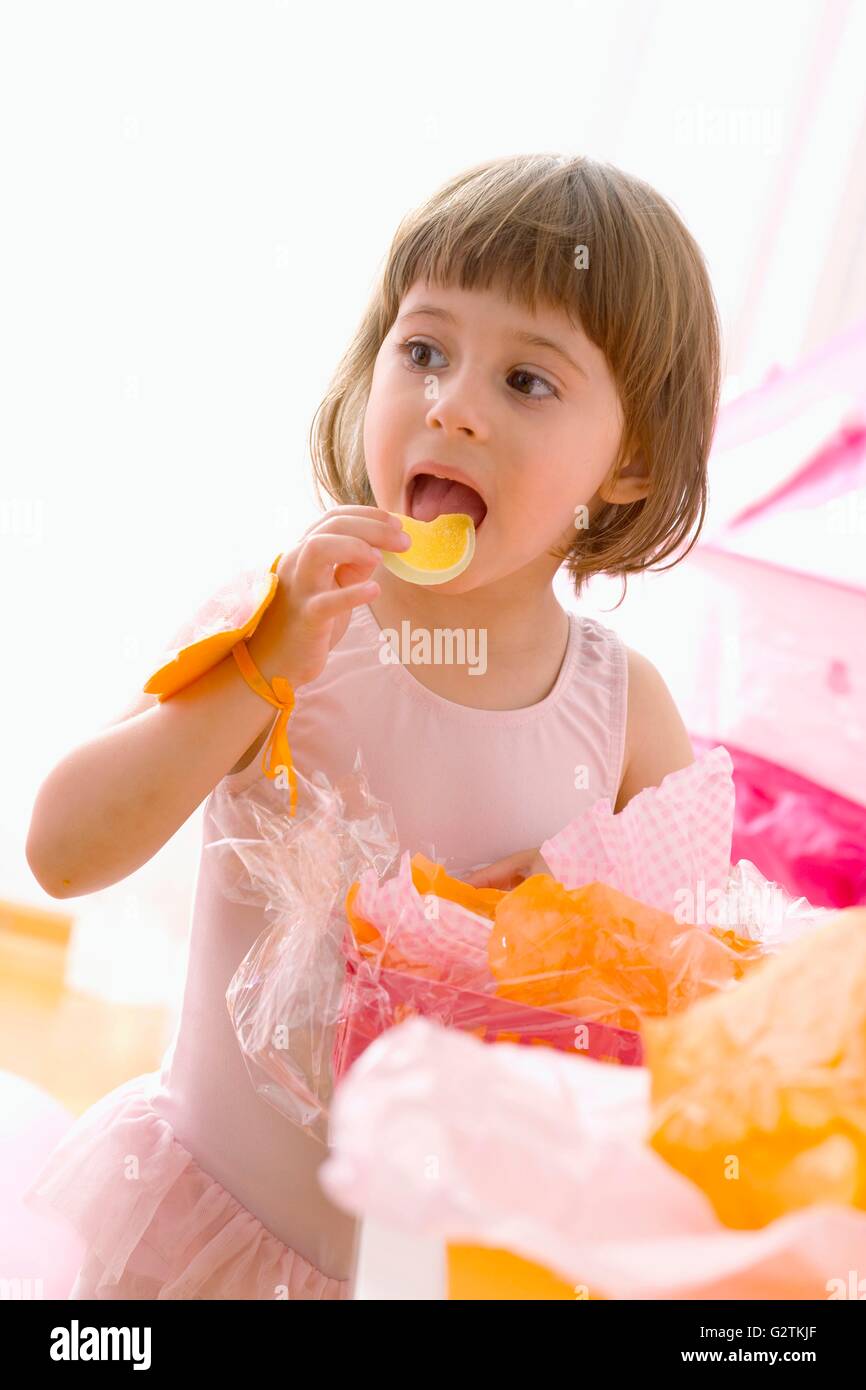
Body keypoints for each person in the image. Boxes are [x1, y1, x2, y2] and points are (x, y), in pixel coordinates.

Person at [23, 152, 718, 1299]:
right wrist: (258, 668)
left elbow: (672, 1019)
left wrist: (555, 941)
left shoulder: (625, 711)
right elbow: (62, 848)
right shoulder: (292, 619)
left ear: (629, 463)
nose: (450, 404)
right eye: (425, 351)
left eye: (527, 382)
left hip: (444, 1273)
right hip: (201, 1236)